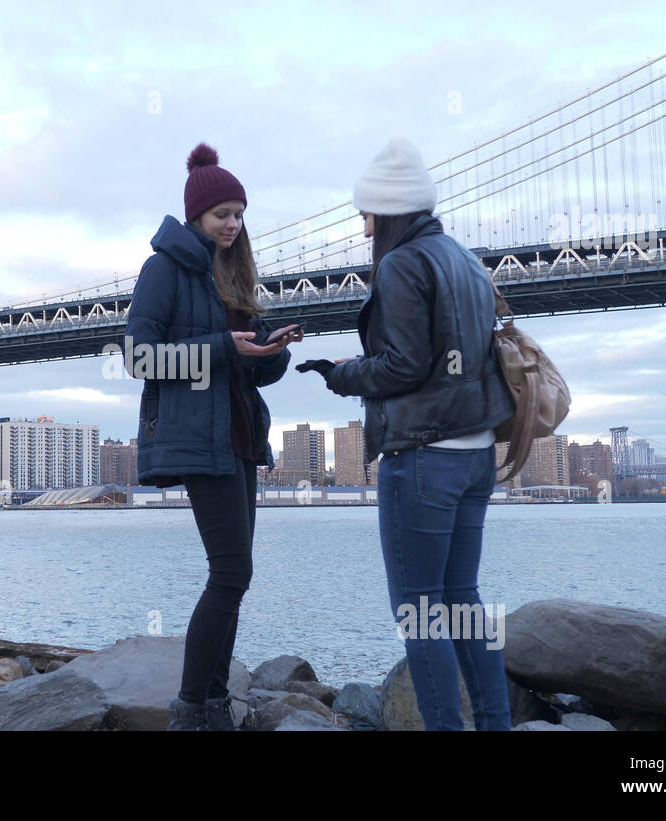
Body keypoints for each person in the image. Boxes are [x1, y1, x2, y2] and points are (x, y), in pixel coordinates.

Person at [298, 137, 515, 730]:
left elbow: (403, 366)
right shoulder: (465, 259)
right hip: (475, 458)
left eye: (367, 214)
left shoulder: (401, 264)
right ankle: (497, 724)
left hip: (422, 459)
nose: (364, 228)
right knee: (462, 602)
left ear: (388, 209)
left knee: (420, 613)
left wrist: (339, 375)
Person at [125, 143, 302, 730]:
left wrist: (268, 351)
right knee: (230, 573)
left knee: (237, 574)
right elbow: (139, 357)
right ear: (196, 214)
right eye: (223, 214)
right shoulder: (164, 270)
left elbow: (241, 367)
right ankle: (191, 710)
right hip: (198, 440)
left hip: (240, 438)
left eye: (240, 214)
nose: (233, 224)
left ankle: (215, 703)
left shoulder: (231, 273)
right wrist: (226, 346)